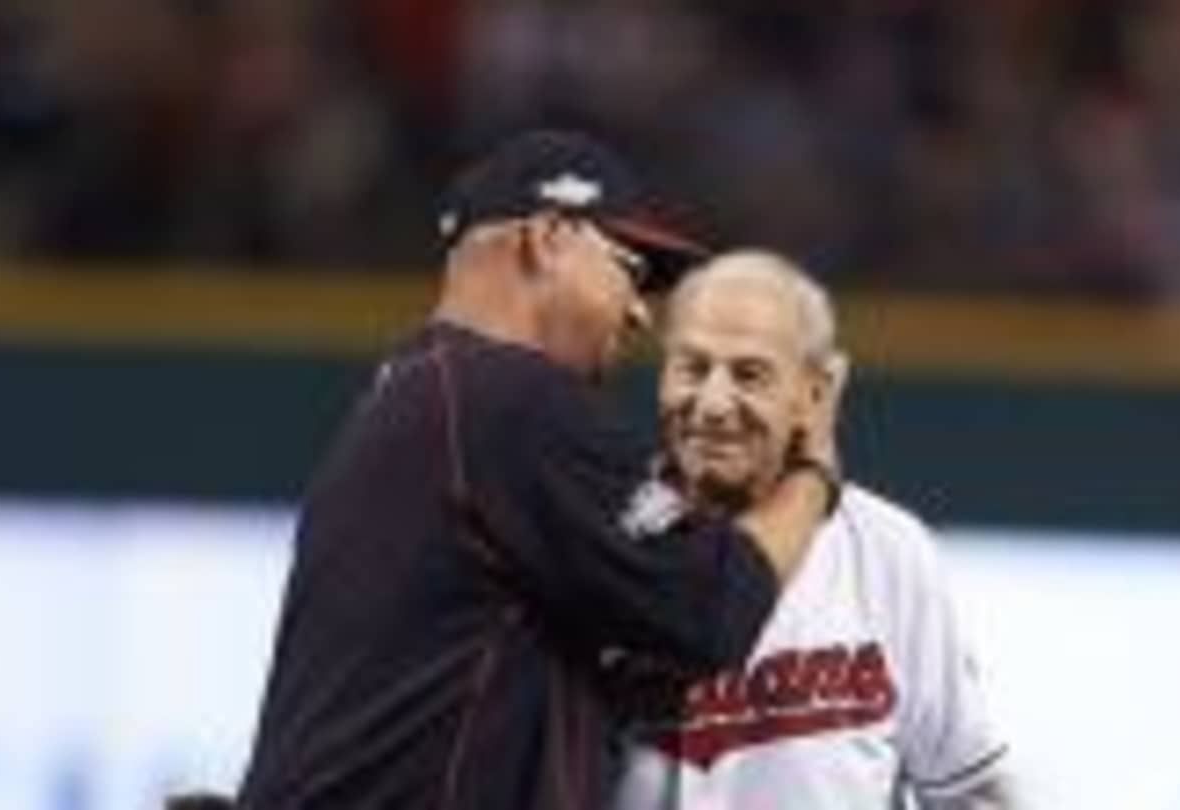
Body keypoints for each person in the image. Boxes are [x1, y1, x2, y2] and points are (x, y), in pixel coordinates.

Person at [233, 133, 840, 810]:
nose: (640, 311)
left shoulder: (418, 399)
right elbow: (713, 604)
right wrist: (813, 467)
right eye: (630, 269)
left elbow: (636, 665)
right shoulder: (506, 399)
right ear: (549, 237)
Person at [607, 250, 1013, 809]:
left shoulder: (885, 549)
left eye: (749, 374)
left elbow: (968, 786)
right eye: (692, 367)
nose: (714, 403)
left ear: (815, 395)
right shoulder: (607, 539)